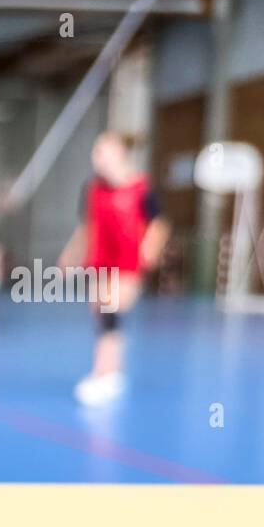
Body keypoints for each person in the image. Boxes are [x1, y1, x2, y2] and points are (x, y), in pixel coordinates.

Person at [58, 130, 169, 407]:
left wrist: (150, 248)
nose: (95, 158)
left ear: (119, 154)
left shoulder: (141, 188)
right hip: (99, 260)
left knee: (109, 311)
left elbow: (159, 223)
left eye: (101, 151)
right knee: (102, 316)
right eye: (95, 152)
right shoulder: (92, 189)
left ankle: (103, 373)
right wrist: (70, 255)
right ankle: (112, 373)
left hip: (127, 262)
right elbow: (86, 227)